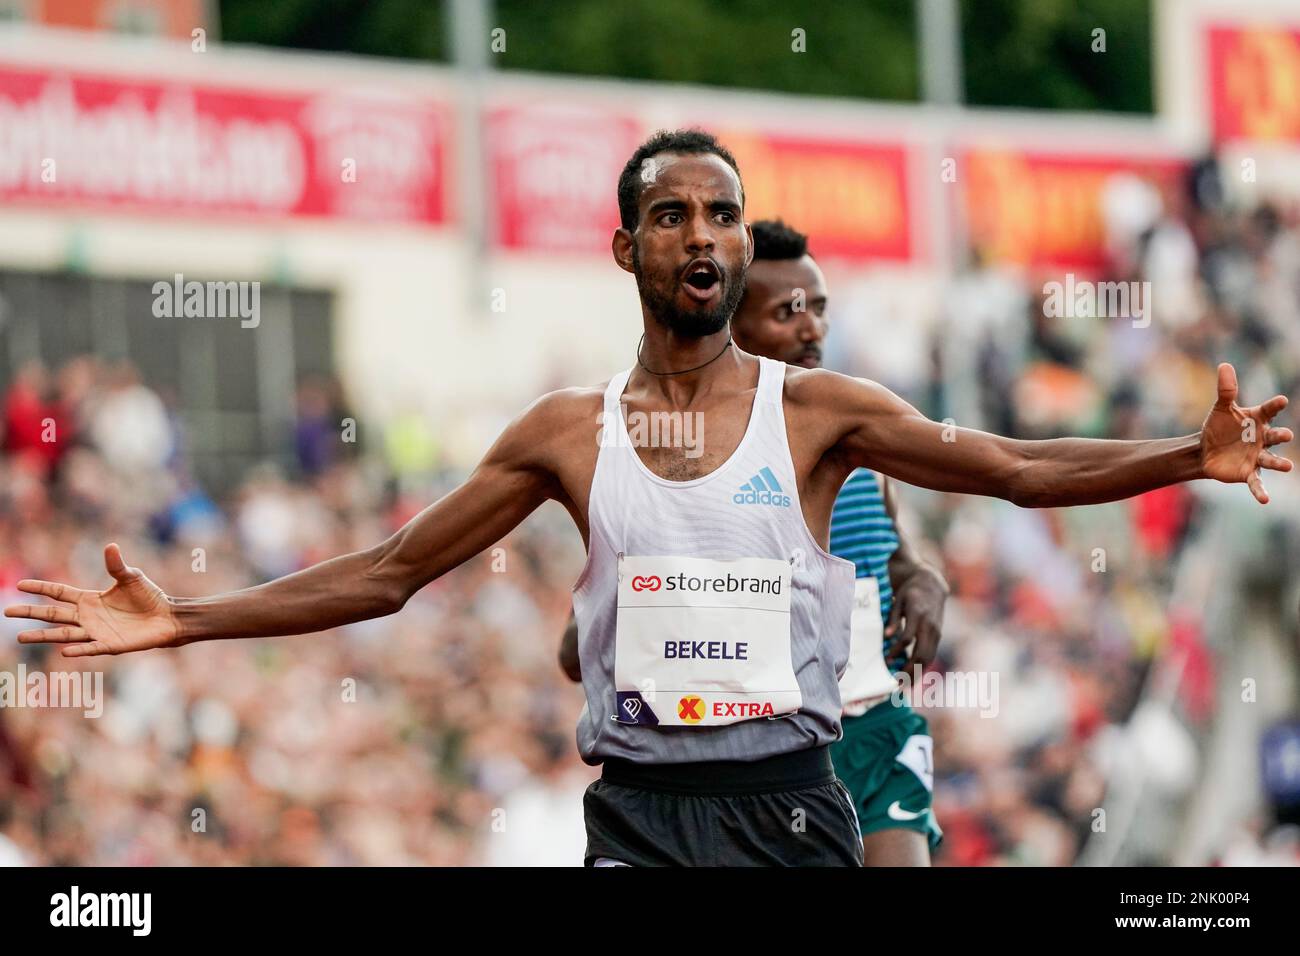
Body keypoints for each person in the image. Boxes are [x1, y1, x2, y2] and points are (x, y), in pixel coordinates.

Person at [7, 129, 1293, 868]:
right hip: (638, 814)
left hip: (790, 802)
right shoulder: (567, 432)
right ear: (626, 245)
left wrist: (1185, 454)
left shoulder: (820, 410)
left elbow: (1017, 465)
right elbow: (389, 569)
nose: (698, 233)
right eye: (669, 213)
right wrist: (184, 618)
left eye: (721, 215)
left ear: (743, 246)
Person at [558, 218, 949, 864]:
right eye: (789, 312)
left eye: (819, 309)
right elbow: (583, 647)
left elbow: (898, 548)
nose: (812, 328)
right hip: (760, 761)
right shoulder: (682, 455)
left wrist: (924, 576)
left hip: (872, 728)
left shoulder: (857, 432)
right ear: (731, 325)